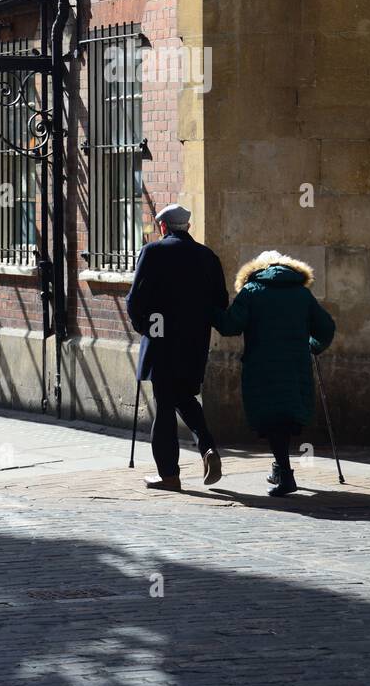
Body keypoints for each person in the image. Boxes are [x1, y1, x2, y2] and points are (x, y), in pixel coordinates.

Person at [214, 251, 335, 497]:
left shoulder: (251, 292)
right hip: (295, 365)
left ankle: (286, 477)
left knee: (273, 420)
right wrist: (313, 346)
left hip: (263, 367)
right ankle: (280, 469)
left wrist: (211, 309)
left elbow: (229, 326)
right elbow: (326, 327)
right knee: (285, 417)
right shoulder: (302, 293)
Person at [125, 203, 228, 491]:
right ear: (188, 227)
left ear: (163, 227)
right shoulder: (208, 256)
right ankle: (207, 447)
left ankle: (169, 474)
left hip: (161, 340)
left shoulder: (153, 252)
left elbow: (135, 300)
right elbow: (220, 302)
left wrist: (143, 326)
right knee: (184, 396)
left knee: (166, 404)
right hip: (195, 342)